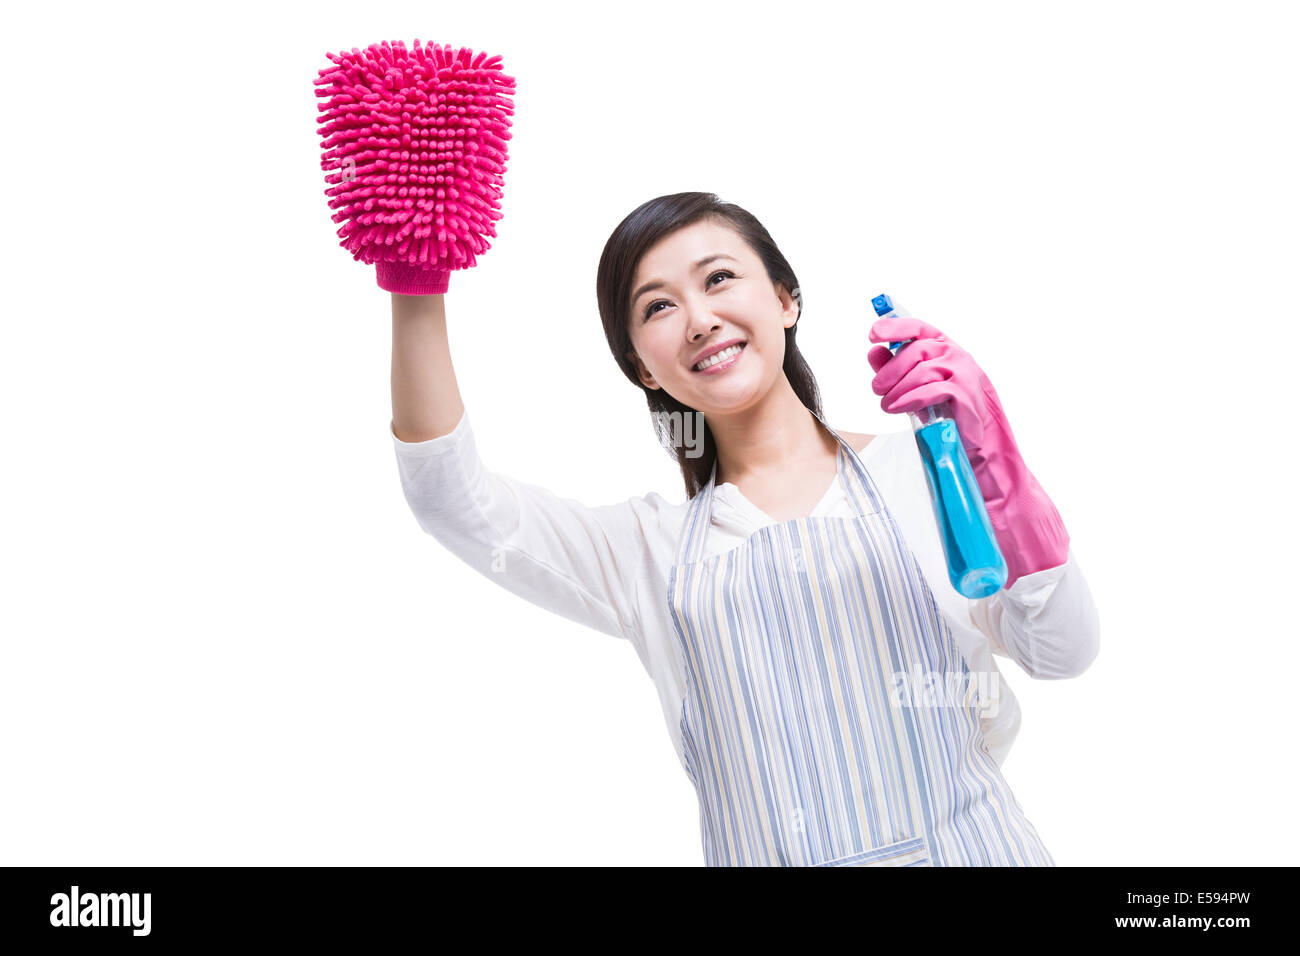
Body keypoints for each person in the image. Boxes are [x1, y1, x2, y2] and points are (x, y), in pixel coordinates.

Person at [388, 191, 1100, 866]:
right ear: (643, 368)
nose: (699, 318)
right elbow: (453, 501)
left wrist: (991, 455)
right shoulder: (645, 552)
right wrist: (417, 285)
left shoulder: (924, 470)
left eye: (719, 277)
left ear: (786, 300)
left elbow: (1062, 650)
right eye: (659, 306)